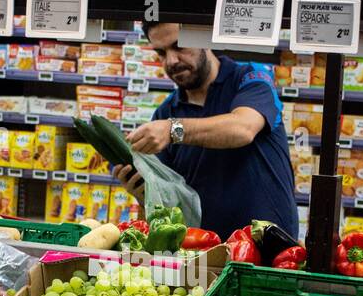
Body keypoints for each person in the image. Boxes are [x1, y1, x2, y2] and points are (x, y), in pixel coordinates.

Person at [115, 20, 299, 239]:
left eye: (179, 47)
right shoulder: (165, 114)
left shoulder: (251, 78)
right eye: (161, 53)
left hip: (270, 248)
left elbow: (243, 128)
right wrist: (144, 195)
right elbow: (166, 208)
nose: (171, 61)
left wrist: (173, 131)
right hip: (203, 253)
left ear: (205, 38)